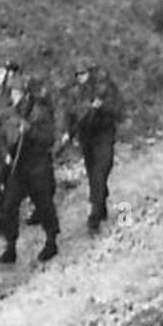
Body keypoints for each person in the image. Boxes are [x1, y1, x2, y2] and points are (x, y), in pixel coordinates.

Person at [0, 65, 60, 265]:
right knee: (9, 206)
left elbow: (48, 139)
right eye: (12, 92)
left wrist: (29, 131)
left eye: (18, 93)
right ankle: (10, 246)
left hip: (37, 164)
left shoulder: (39, 112)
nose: (14, 96)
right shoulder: (9, 113)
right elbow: (0, 135)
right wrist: (4, 155)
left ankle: (51, 239)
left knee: (44, 204)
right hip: (17, 167)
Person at [57, 66, 125, 235]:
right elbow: (69, 114)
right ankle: (100, 206)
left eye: (84, 73)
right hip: (86, 138)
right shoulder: (74, 93)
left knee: (101, 173)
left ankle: (93, 217)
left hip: (104, 134)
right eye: (78, 74)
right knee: (94, 176)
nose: (81, 77)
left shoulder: (105, 88)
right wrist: (66, 132)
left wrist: (101, 107)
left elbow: (118, 111)